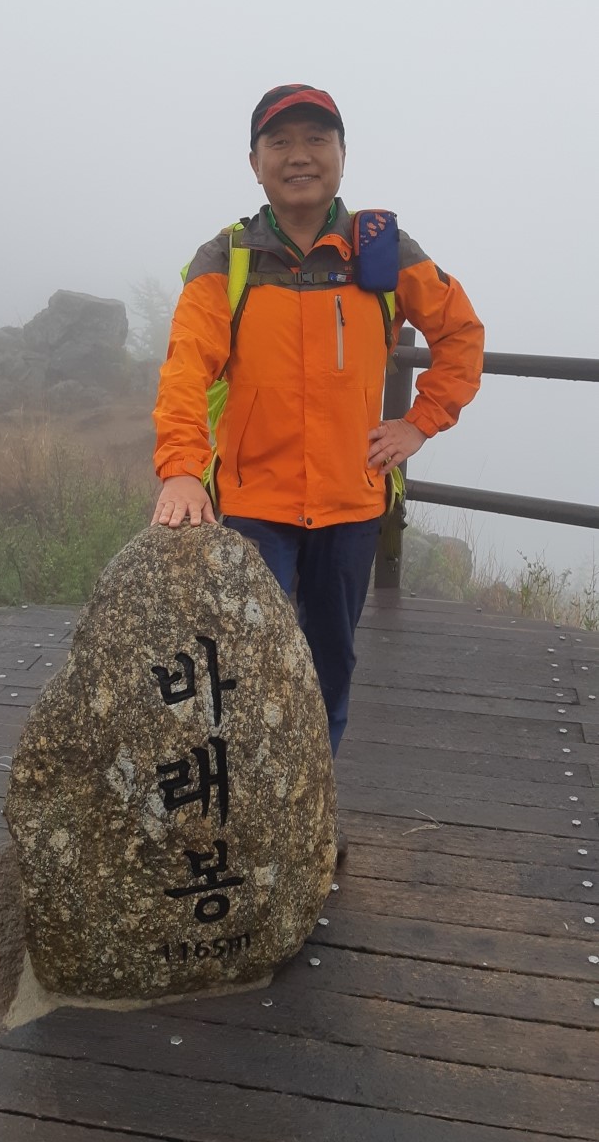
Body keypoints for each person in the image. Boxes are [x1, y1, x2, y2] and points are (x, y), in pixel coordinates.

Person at [151, 84, 484, 829]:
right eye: (280, 143)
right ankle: (248, 810)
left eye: (316, 140)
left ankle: (306, 808)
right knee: (246, 666)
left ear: (341, 155)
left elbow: (461, 335)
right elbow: (185, 368)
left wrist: (420, 423)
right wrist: (180, 465)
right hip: (256, 506)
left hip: (351, 503)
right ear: (254, 162)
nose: (299, 156)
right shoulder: (227, 257)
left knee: (330, 661)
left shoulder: (381, 251)